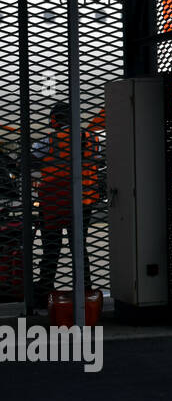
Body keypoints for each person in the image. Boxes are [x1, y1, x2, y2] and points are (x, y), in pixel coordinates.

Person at [32, 102, 99, 294]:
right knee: (79, 247)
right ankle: (85, 290)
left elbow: (28, 159)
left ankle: (45, 289)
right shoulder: (91, 138)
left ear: (55, 120)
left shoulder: (49, 141)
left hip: (55, 202)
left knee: (51, 247)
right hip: (84, 201)